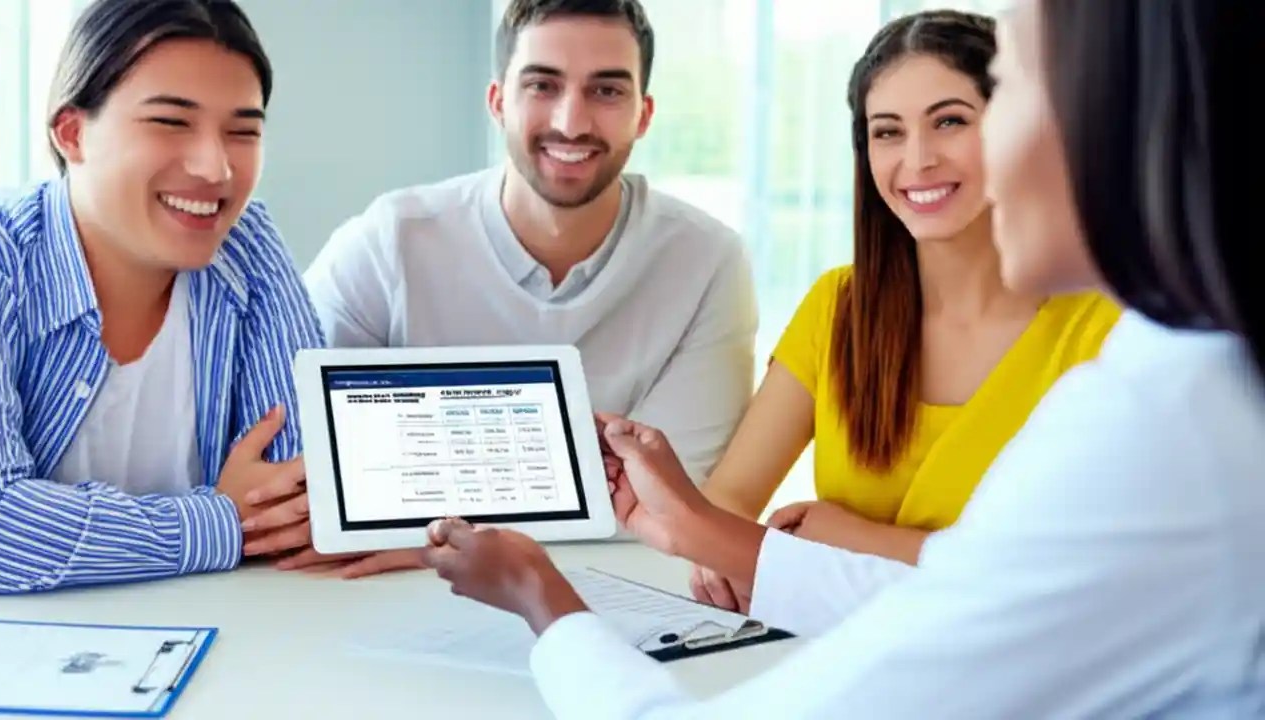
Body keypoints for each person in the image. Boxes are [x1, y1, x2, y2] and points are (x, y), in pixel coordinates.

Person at [415, 0, 1265, 715]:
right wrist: (701, 526)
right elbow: (951, 602)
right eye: (886, 132)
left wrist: (542, 599)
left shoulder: (1160, 419)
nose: (925, 161)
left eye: (1003, 99)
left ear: (1130, 114)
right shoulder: (1195, 383)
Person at [284, 0, 756, 577]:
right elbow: (312, 464)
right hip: (385, 591)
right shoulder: (390, 241)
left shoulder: (709, 261)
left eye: (606, 91)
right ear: (498, 101)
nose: (571, 122)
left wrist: (425, 531)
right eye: (542, 85)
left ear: (643, 114)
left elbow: (667, 499)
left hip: (610, 586)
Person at [690, 9, 1118, 612]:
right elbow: (728, 498)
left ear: (1014, 127)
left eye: (949, 122)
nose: (917, 161)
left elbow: (1082, 575)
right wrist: (716, 549)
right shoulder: (837, 307)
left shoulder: (1104, 330)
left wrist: (860, 543)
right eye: (887, 132)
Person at [0, 0, 323, 594]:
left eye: (243, 131)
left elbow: (301, 493)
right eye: (171, 122)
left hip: (225, 642)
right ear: (72, 133)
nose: (215, 168)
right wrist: (218, 521)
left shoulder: (247, 243)